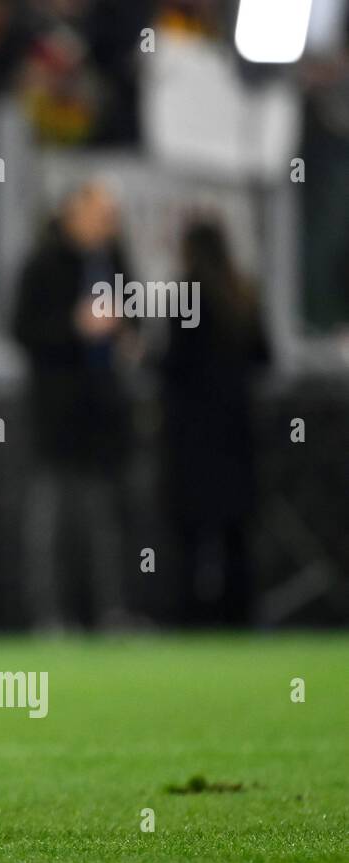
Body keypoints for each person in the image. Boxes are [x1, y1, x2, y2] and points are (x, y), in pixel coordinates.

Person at [11, 179, 138, 632]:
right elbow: (23, 331)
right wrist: (74, 328)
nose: (107, 225)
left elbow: (133, 318)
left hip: (104, 412)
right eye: (99, 216)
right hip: (55, 414)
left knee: (106, 522)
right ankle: (49, 617)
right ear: (72, 214)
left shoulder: (114, 262)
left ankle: (111, 612)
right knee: (50, 521)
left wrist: (126, 335)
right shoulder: (43, 266)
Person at [160, 218, 270, 626]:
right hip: (237, 433)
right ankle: (240, 617)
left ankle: (193, 619)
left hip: (192, 437)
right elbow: (264, 356)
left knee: (191, 537)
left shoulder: (188, 294)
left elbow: (173, 362)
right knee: (236, 535)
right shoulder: (242, 293)